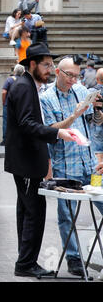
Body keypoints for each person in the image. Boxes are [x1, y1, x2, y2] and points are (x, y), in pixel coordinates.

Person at [5, 43, 76, 277]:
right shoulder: (24, 87)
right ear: (32, 64)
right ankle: (26, 263)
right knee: (33, 213)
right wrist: (57, 132)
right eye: (46, 65)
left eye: (51, 64)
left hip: (26, 161)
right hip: (25, 162)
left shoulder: (27, 85)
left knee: (27, 212)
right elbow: (26, 124)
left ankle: (25, 261)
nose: (50, 69)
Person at [40, 56, 103, 276]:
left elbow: (93, 123)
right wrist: (74, 114)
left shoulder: (80, 90)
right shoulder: (46, 98)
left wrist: (96, 111)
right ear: (57, 72)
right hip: (66, 166)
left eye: (77, 75)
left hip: (89, 163)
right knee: (67, 216)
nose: (74, 80)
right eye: (70, 75)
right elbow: (51, 130)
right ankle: (74, 258)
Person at [0, 64, 25, 146]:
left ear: (14, 71)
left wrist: (4, 102)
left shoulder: (9, 80)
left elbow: (4, 92)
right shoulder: (24, 80)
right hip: (20, 105)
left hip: (9, 104)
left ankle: (5, 140)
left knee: (6, 122)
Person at [90, 68, 103, 162]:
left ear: (97, 79)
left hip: (97, 125)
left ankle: (97, 177)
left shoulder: (92, 91)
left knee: (97, 152)